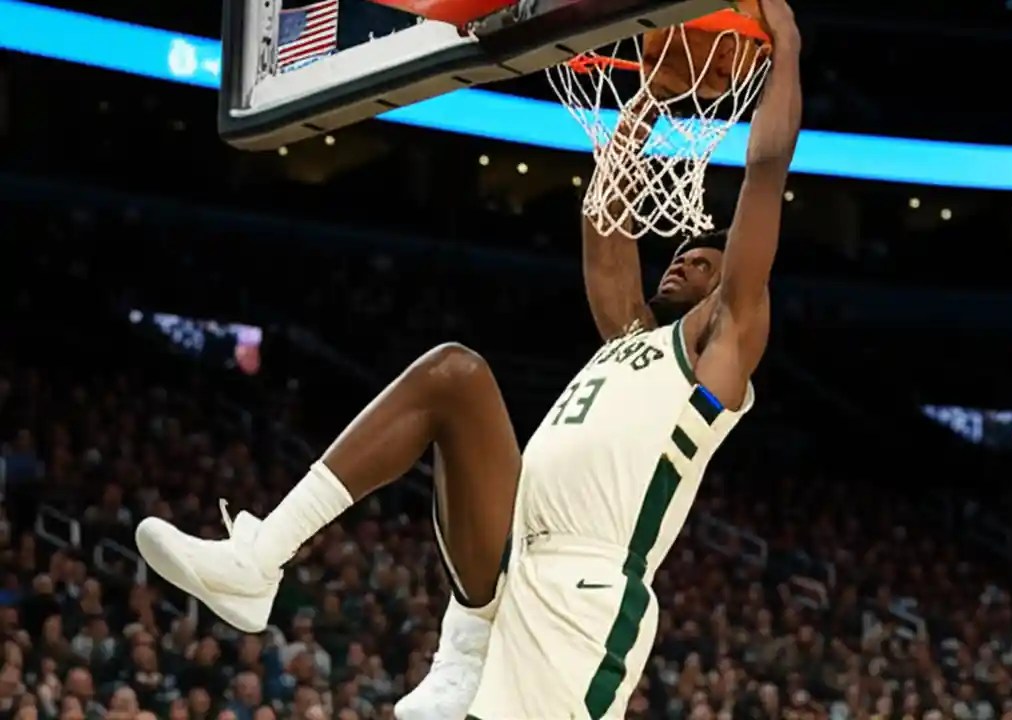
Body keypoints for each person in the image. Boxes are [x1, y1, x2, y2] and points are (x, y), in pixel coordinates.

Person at [134, 0, 800, 715]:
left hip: (582, 591)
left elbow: (764, 171)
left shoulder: (718, 350)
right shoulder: (628, 333)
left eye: (700, 264)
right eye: (679, 254)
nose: (679, 264)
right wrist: (647, 102)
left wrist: (786, 46)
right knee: (454, 374)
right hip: (510, 548)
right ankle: (259, 561)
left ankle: (466, 646)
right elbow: (604, 212)